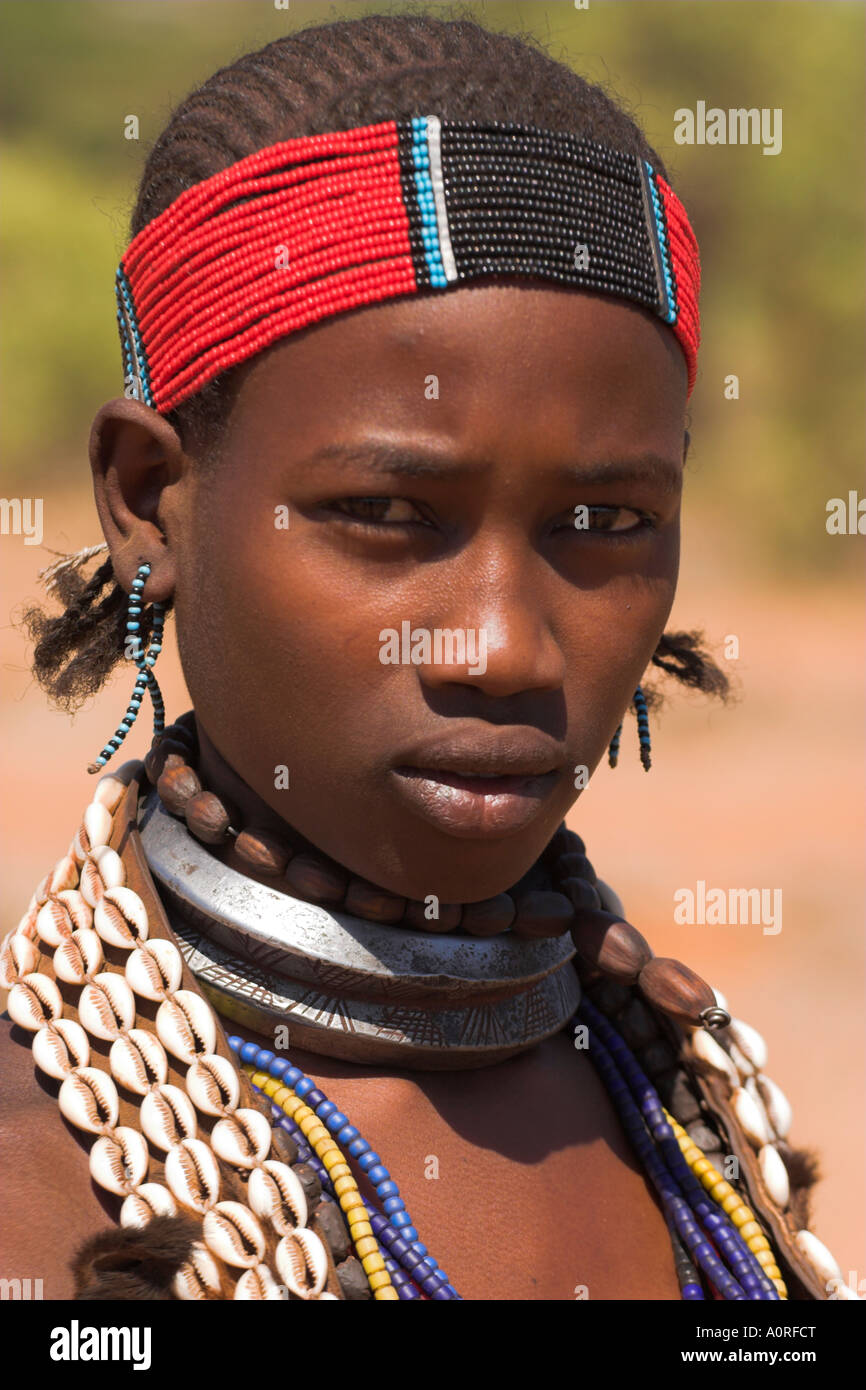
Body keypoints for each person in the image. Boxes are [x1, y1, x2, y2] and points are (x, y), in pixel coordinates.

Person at [0, 11, 850, 1302]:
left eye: (603, 523)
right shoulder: (33, 1194)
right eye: (390, 516)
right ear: (147, 497)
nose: (503, 648)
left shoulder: (690, 1123)